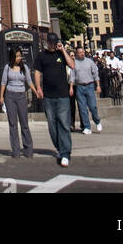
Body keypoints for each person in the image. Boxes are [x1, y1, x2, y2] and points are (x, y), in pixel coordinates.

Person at [33, 31, 75, 167]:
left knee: (63, 123)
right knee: (52, 125)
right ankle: (60, 148)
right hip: (48, 95)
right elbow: (38, 72)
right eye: (51, 43)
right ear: (47, 43)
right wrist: (38, 88)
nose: (52, 45)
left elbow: (72, 65)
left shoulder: (60, 54)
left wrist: (63, 51)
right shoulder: (41, 56)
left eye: (54, 42)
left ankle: (65, 153)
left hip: (62, 94)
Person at [0, 47, 34, 158]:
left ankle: (28, 149)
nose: (19, 58)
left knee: (24, 123)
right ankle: (16, 150)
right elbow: (3, 82)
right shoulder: (7, 68)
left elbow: (29, 82)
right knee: (13, 124)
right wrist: (1, 96)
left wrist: (37, 91)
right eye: (17, 56)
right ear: (12, 57)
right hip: (10, 95)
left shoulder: (25, 68)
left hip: (21, 95)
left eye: (20, 56)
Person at [72, 46, 103, 134]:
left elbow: (95, 74)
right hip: (79, 86)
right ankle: (87, 127)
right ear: (77, 54)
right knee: (82, 109)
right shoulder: (74, 63)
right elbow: (72, 76)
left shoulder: (90, 62)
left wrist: (98, 85)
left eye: (83, 52)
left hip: (89, 85)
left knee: (92, 106)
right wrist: (71, 87)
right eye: (80, 52)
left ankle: (97, 121)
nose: (82, 54)